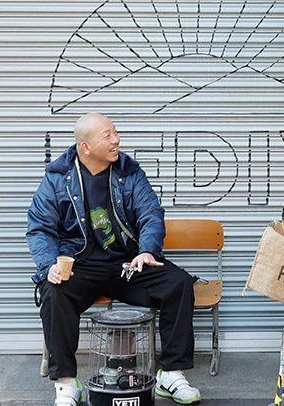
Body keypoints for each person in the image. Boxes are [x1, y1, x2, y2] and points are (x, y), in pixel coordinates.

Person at [27, 113, 202, 406]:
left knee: (178, 283)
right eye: (107, 135)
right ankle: (67, 383)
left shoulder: (129, 172)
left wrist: (147, 249)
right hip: (80, 266)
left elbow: (150, 214)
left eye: (115, 132)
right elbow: (40, 228)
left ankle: (171, 373)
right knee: (53, 291)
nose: (116, 140)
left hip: (126, 265)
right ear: (86, 147)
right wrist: (49, 266)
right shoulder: (58, 178)